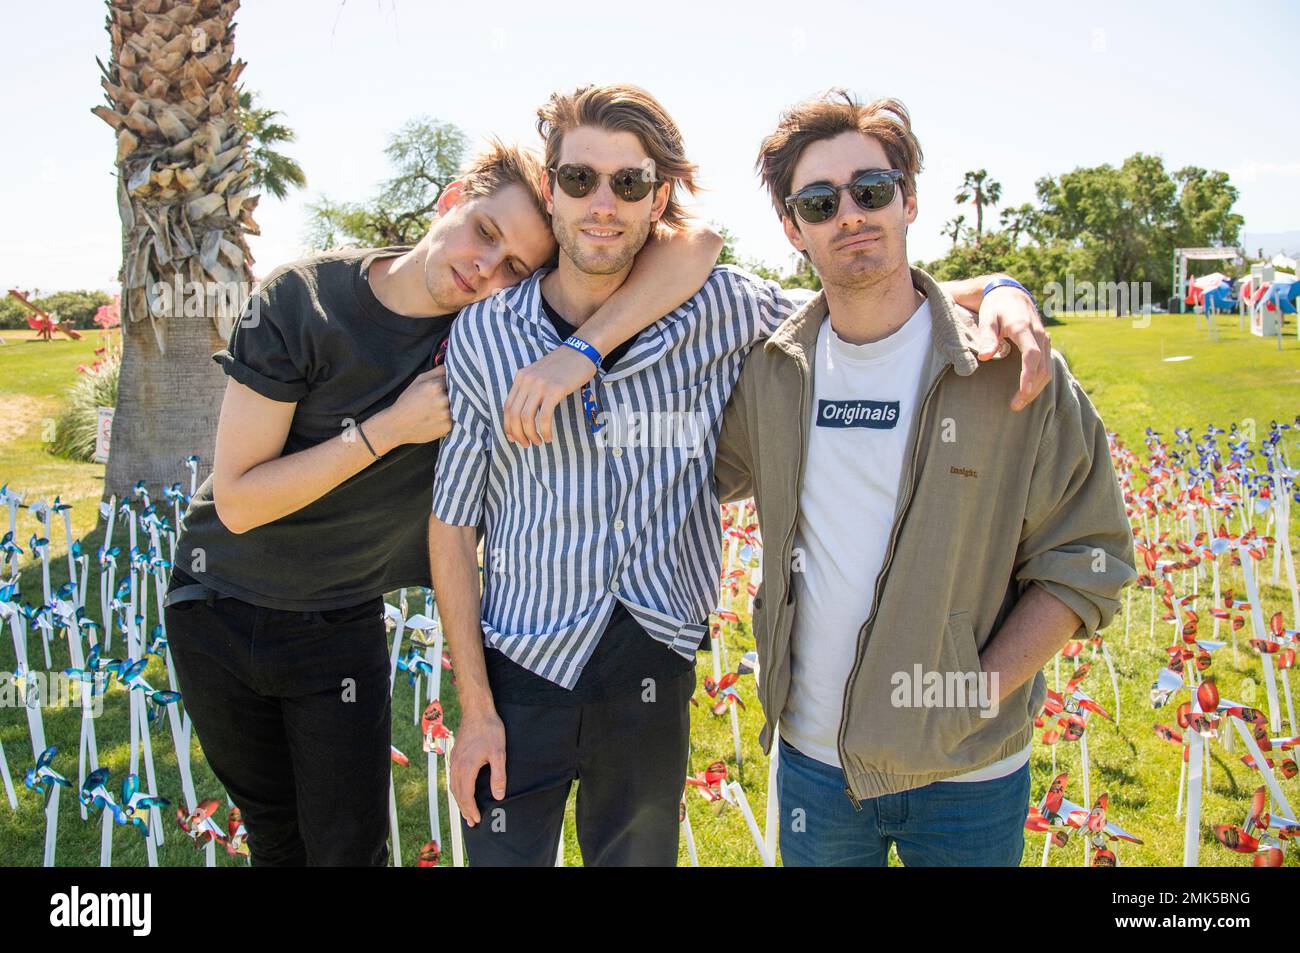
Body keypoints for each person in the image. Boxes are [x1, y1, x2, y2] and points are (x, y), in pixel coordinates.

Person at [429, 84, 1052, 866]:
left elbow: (862, 298)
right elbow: (451, 526)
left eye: (630, 183)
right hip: (524, 663)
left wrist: (998, 289)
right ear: (550, 186)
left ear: (659, 200)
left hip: (651, 656)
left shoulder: (720, 308)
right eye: (580, 179)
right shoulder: (488, 333)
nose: (602, 204)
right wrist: (476, 709)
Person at [162, 138, 723, 866]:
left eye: (515, 266)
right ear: (452, 198)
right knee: (275, 834)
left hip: (341, 618)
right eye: (486, 232)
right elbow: (237, 501)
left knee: (348, 847)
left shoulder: (489, 334)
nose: (486, 268)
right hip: (218, 605)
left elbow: (697, 244)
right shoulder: (304, 299)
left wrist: (579, 351)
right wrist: (389, 430)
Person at [714, 91, 1136, 866]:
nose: (850, 214)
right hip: (812, 767)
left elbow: (1092, 557)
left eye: (871, 190)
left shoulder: (1013, 370)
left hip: (968, 775)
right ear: (791, 227)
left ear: (908, 200)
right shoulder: (771, 373)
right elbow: (686, 464)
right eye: (819, 201)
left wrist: (973, 695)